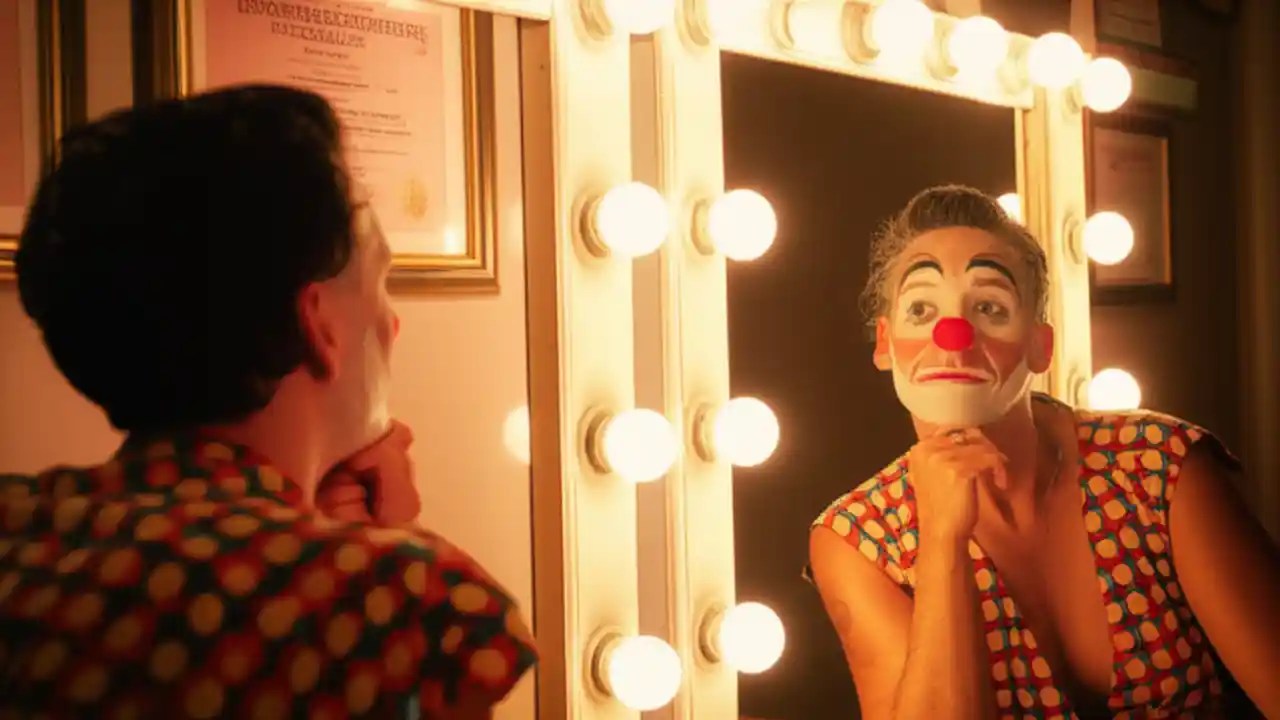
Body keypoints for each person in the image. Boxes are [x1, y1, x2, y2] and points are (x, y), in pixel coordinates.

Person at [0, 85, 536, 718]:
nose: (393, 325)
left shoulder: (22, 522)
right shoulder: (403, 603)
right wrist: (385, 544)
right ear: (319, 326)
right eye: (380, 282)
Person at [806, 185, 1280, 720]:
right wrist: (941, 540)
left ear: (1040, 345)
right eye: (921, 308)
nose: (954, 335)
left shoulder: (1159, 468)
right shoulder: (857, 540)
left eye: (989, 307)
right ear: (886, 343)